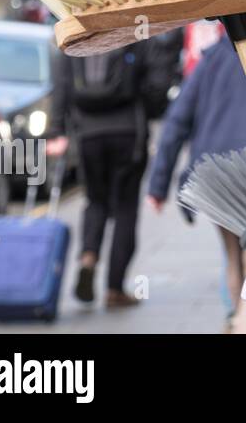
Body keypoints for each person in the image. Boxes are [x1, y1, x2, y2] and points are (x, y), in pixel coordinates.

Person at [146, 30, 246, 333]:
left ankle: (235, 318)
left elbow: (176, 121)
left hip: (215, 177)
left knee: (234, 257)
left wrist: (157, 186)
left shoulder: (212, 59)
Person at [47, 40, 171, 309]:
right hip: (129, 131)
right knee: (126, 209)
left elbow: (61, 85)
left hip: (88, 134)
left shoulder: (75, 33)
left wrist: (57, 130)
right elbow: (159, 80)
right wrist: (145, 107)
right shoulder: (131, 30)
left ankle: (88, 257)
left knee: (95, 201)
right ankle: (115, 290)